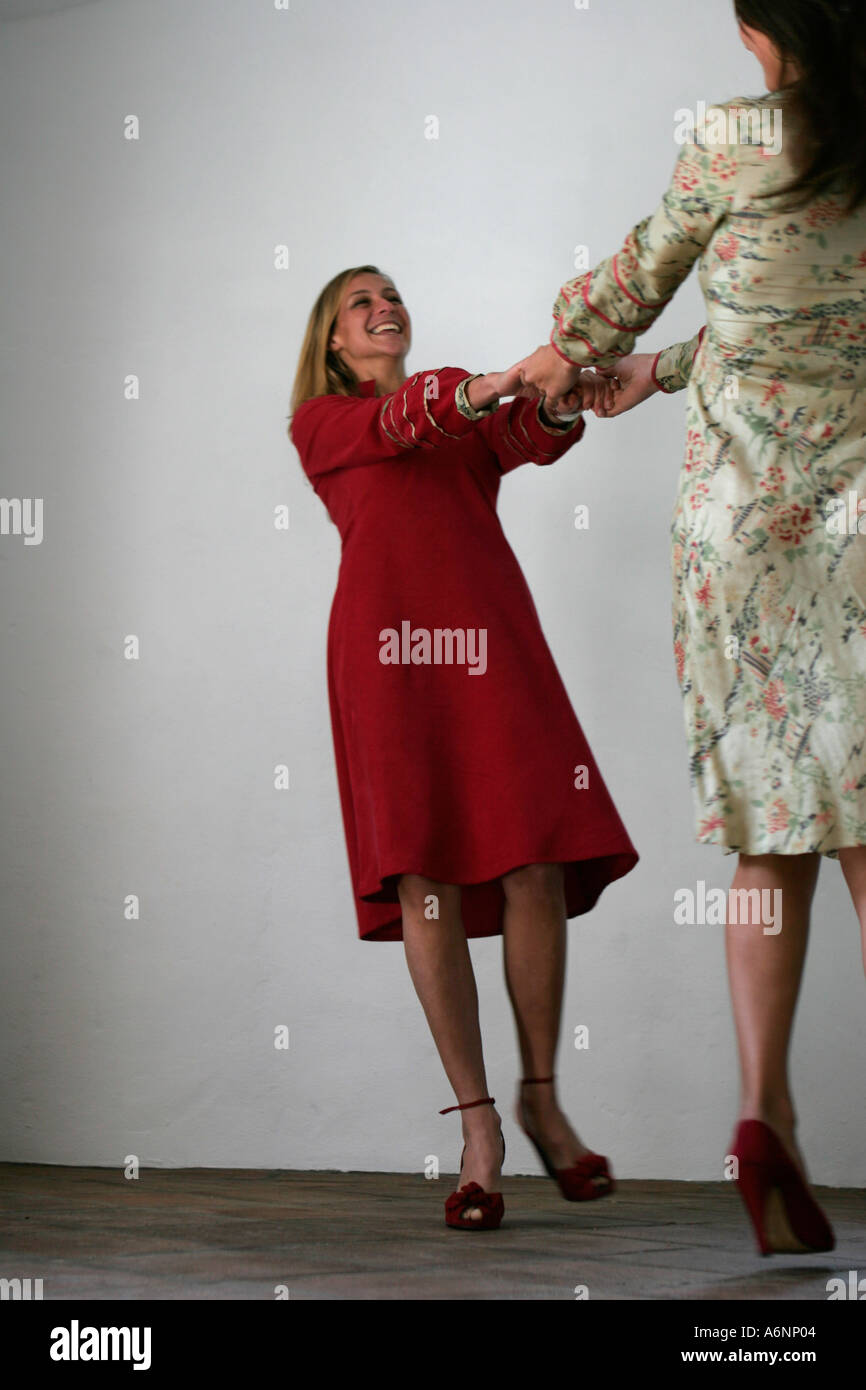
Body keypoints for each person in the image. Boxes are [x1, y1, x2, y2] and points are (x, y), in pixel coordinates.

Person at [519, 0, 866, 1255]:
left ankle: (761, 1109)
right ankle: (770, 1120)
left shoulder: (734, 137)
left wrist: (548, 364)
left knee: (773, 824)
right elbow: (813, 318)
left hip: (741, 537)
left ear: (758, 27)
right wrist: (662, 372)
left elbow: (635, 277)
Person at [288, 265, 638, 1228]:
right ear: (332, 342)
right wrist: (513, 374)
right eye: (361, 303)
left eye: (390, 293)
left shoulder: (451, 417)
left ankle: (541, 1096)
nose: (382, 306)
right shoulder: (327, 425)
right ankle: (479, 1127)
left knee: (535, 857)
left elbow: (522, 437)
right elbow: (416, 419)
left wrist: (565, 395)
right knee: (426, 879)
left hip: (493, 639)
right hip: (389, 656)